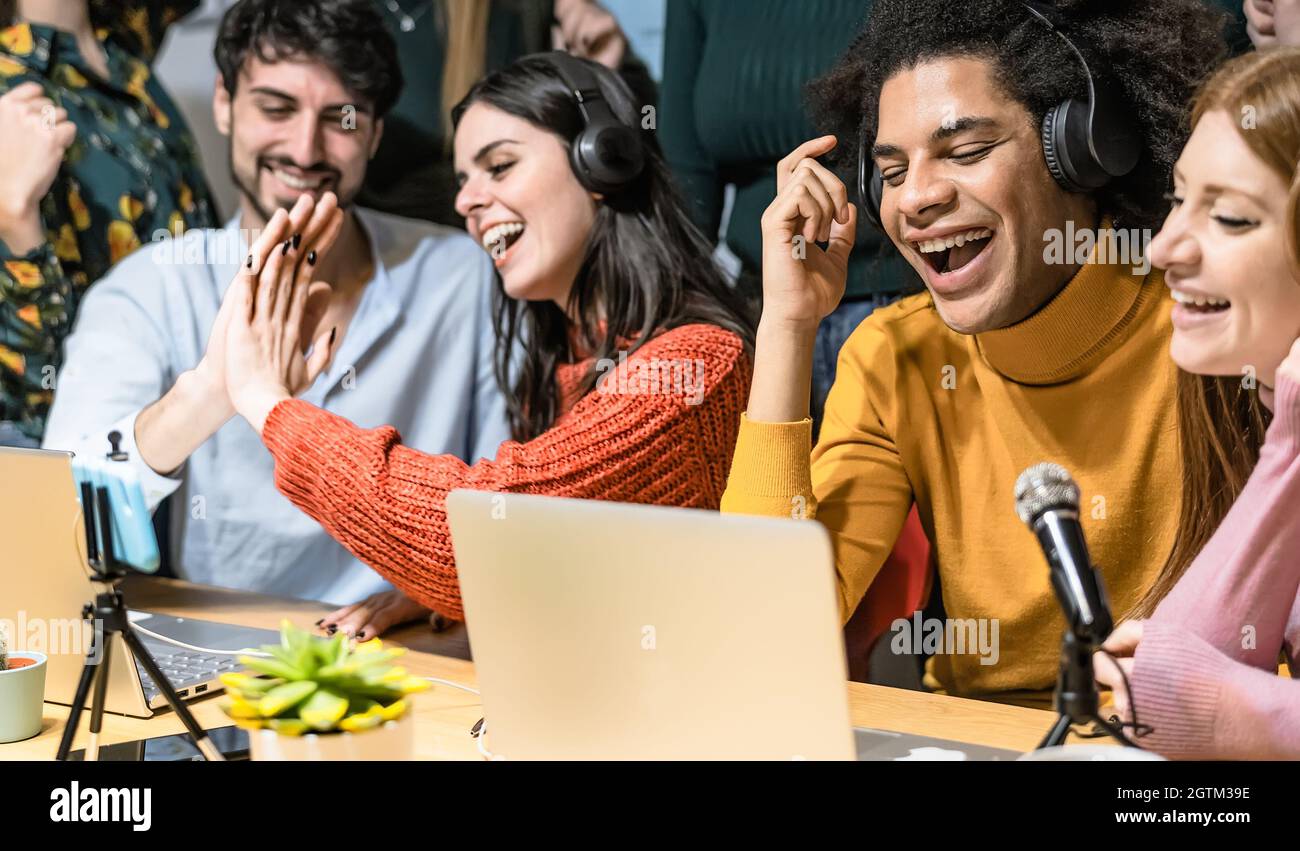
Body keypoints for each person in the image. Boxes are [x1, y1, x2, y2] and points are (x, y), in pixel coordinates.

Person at [720, 0, 1230, 706]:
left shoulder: (1209, 330)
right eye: (891, 173)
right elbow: (758, 630)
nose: (918, 198)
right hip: (975, 741)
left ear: (1081, 149)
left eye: (965, 151)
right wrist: (785, 322)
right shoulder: (894, 356)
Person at [213, 53, 755, 637]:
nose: (466, 201)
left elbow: (477, 533)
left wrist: (268, 404)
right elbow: (552, 563)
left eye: (499, 166)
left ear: (603, 164)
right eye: (463, 180)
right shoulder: (568, 357)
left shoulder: (694, 366)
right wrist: (441, 593)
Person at [42, 0, 509, 622]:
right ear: (224, 104)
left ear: (373, 133)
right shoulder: (149, 289)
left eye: (339, 119)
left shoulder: (461, 275)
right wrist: (213, 390)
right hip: (222, 665)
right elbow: (59, 527)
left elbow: (507, 506)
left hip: (414, 651)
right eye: (275, 108)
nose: (304, 148)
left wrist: (436, 592)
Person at [1094, 48, 1300, 760]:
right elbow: (1172, 703)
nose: (1163, 248)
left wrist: (1228, 711)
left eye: (1232, 219)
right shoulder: (1271, 414)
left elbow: (1197, 707)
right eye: (1180, 200)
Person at [660, 0, 916, 432]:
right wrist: (676, 317)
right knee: (764, 488)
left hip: (910, 290)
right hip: (758, 305)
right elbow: (687, 175)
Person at [0, 0, 217, 447]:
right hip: (99, 456)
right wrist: (14, 218)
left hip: (201, 430)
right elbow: (31, 405)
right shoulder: (12, 85)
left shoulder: (122, 44)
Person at [358, 0, 656, 226]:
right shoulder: (330, 16)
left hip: (497, 251)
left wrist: (609, 78)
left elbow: (648, 121)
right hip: (368, 249)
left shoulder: (523, 12)